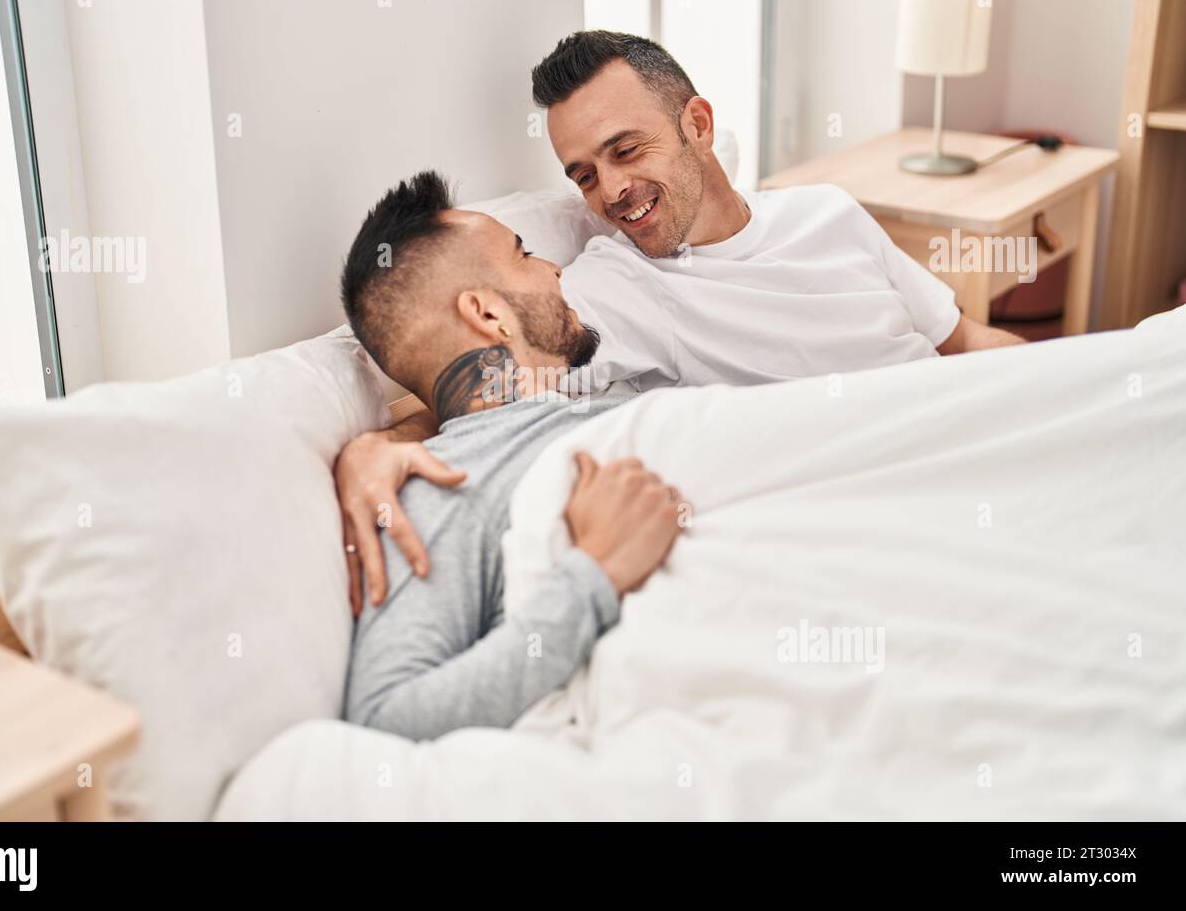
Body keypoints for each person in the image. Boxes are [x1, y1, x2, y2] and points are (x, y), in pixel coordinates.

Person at [338, 30, 1024, 612]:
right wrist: (373, 446)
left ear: (697, 125)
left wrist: (1058, 371)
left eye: (626, 151)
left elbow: (962, 340)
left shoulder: (829, 211)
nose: (609, 192)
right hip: (901, 500)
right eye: (583, 176)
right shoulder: (621, 285)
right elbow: (481, 365)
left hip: (981, 432)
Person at [340, 170, 684, 741]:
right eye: (524, 255)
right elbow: (386, 714)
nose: (554, 270)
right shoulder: (445, 487)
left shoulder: (601, 392)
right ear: (490, 315)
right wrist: (593, 577)